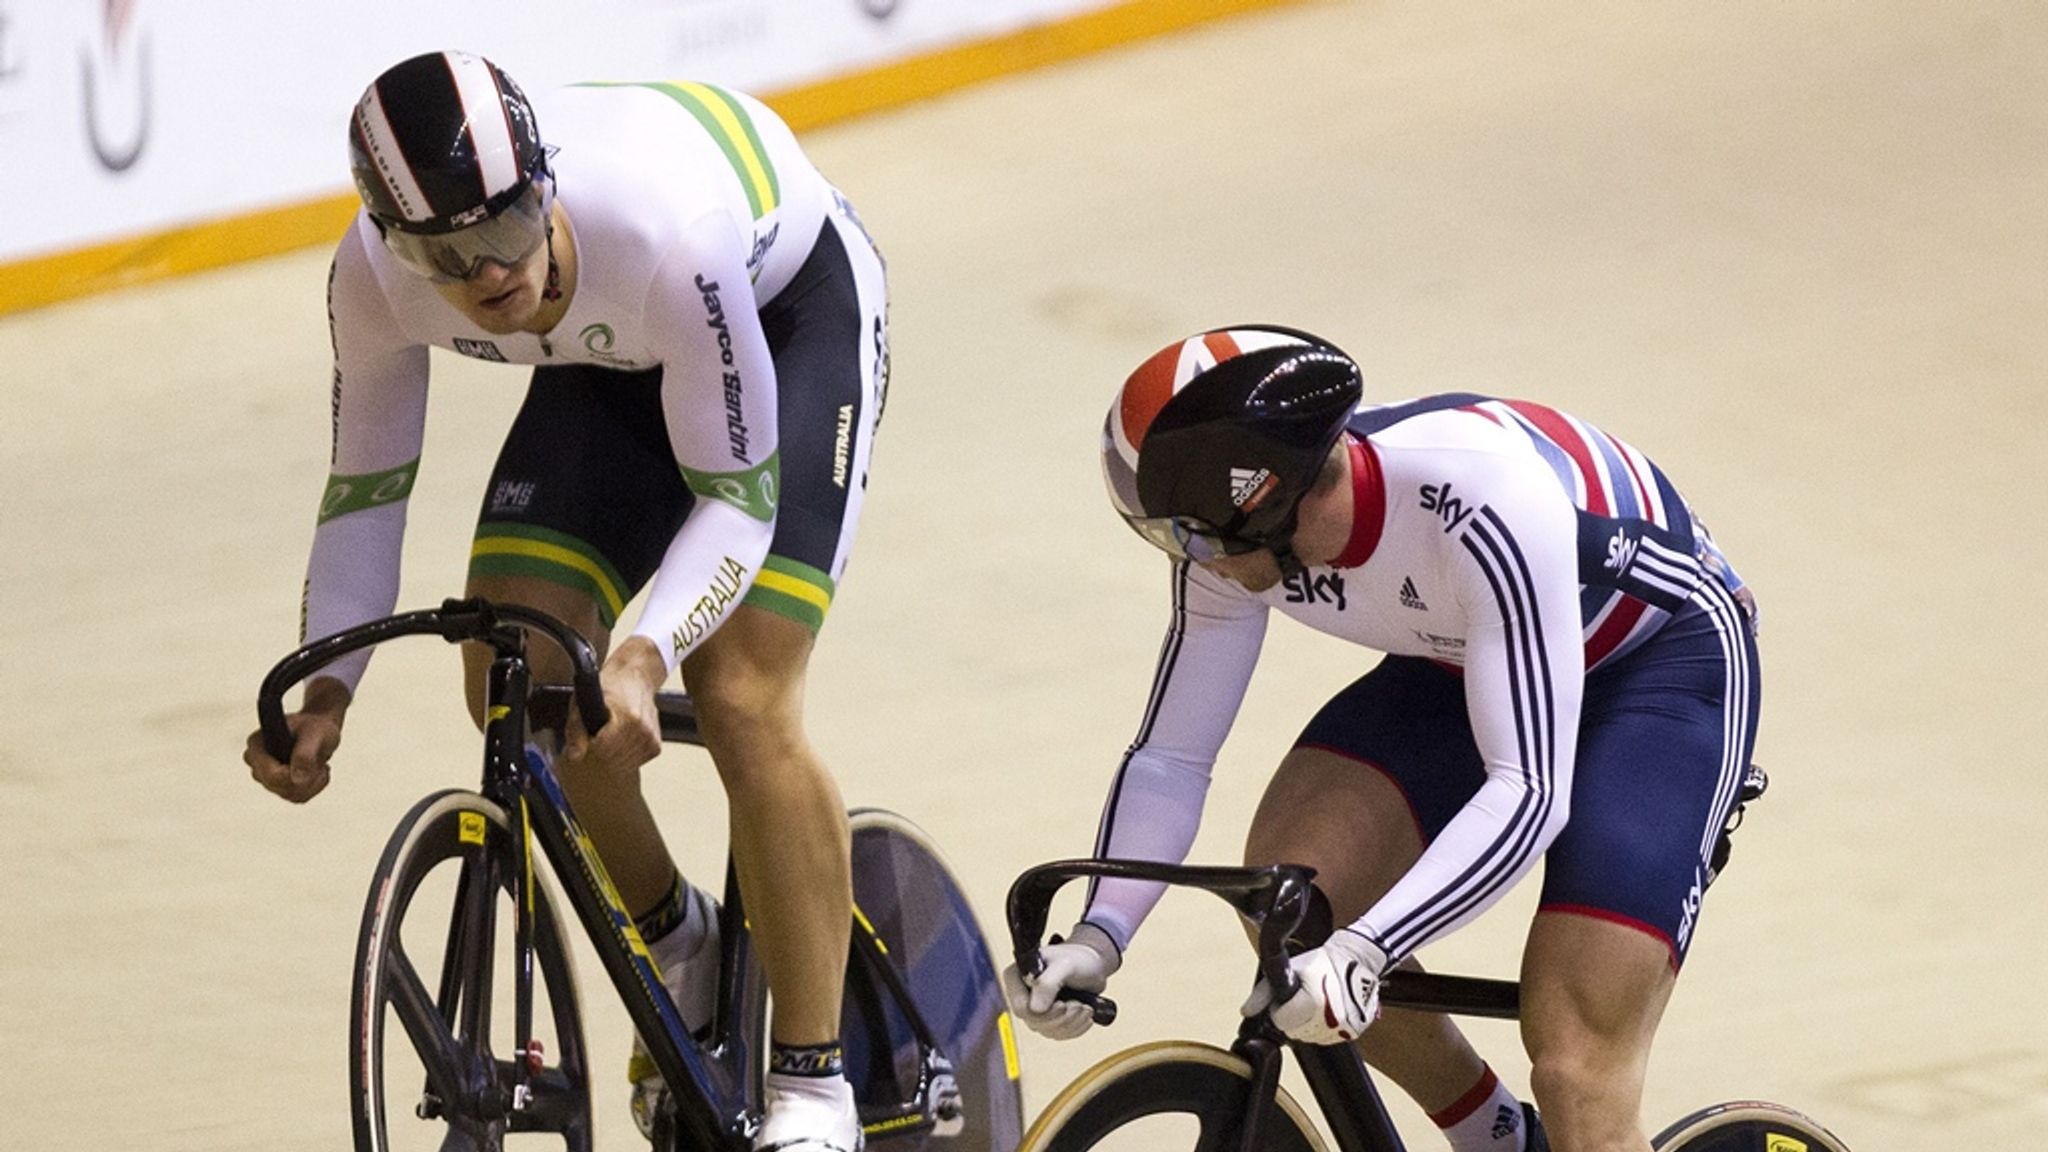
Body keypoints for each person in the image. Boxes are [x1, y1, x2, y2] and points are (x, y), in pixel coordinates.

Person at [241, 51, 889, 1152]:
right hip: (607, 350)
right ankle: (673, 944)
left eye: (501, 232)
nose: (486, 276)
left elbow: (734, 504)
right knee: (519, 671)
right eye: (443, 257)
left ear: (544, 184)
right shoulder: (372, 280)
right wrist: (328, 687)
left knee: (736, 692)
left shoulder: (660, 233)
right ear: (393, 244)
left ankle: (816, 1087)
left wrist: (641, 651)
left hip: (778, 318)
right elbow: (365, 492)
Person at [1004, 326, 1762, 1152]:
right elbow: (1171, 757)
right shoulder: (1234, 546)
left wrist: (1368, 953)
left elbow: (1529, 792)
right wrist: (1098, 936)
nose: (1187, 558)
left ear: (1269, 500)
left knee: (1578, 1064)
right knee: (1291, 910)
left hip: (1659, 667)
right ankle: (1496, 1138)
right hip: (1468, 650)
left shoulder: (1480, 500)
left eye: (1189, 535)